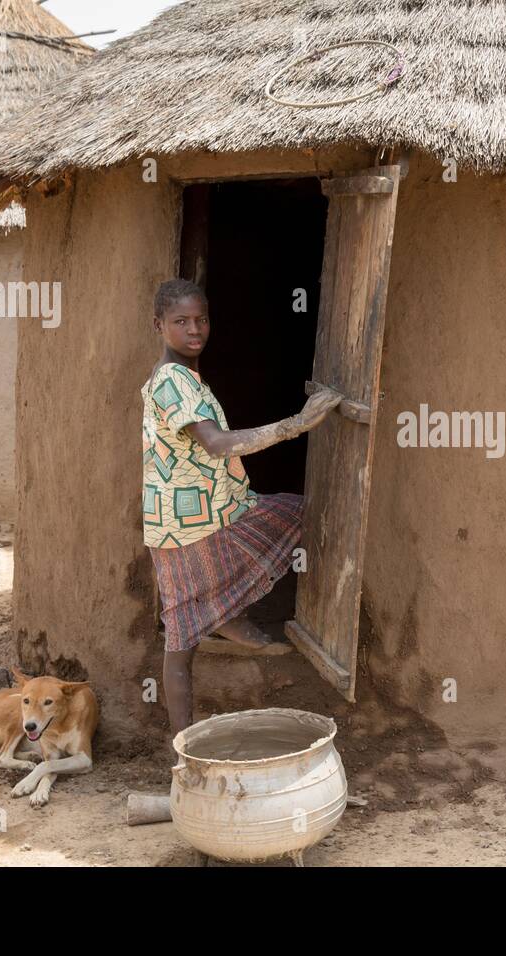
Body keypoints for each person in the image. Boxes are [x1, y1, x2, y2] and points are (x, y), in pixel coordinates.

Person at [142, 278, 341, 735]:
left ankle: (226, 615)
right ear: (159, 325)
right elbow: (214, 444)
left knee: (294, 513)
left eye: (201, 319)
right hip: (184, 528)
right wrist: (295, 424)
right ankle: (184, 747)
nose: (195, 329)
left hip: (216, 512)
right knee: (181, 641)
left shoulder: (183, 375)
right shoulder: (173, 381)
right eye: (181, 322)